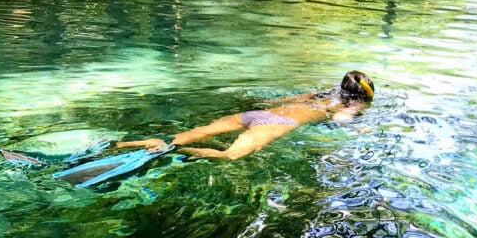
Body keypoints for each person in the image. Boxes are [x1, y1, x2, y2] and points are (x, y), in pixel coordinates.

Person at [115, 71, 375, 160]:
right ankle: (169, 151)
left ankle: (120, 145)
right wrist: (359, 129)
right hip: (279, 124)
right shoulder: (350, 105)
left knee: (196, 133)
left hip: (259, 113)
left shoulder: (317, 94)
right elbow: (342, 122)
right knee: (229, 155)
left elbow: (277, 101)